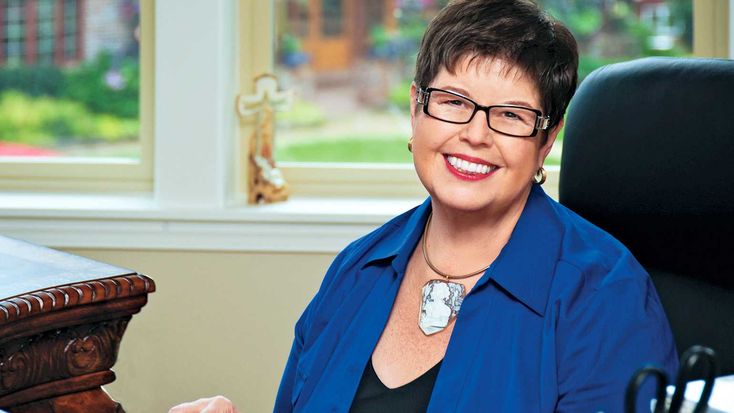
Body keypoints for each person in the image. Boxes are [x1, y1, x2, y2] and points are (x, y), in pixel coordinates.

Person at [170, 0, 678, 412]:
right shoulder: (355, 270)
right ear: (416, 109)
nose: (475, 135)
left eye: (511, 114)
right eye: (453, 101)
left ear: (545, 142)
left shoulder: (604, 296)